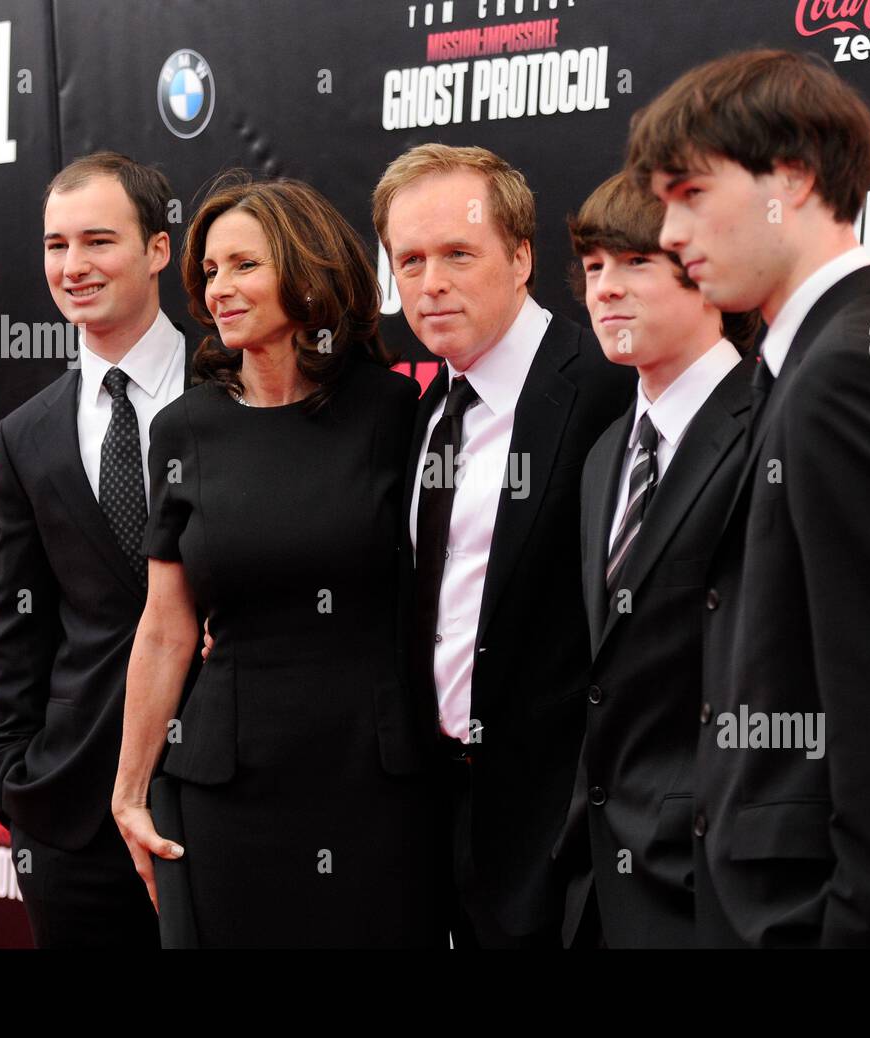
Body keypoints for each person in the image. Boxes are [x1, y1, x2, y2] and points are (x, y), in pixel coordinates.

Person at [628, 49, 870, 948]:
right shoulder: (835, 352)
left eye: (690, 193)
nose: (672, 233)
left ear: (794, 177)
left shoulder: (845, 375)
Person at [110, 174, 444, 948]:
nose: (220, 289)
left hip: (374, 785)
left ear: (307, 270)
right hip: (225, 792)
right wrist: (130, 792)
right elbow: (165, 628)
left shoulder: (393, 412)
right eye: (212, 272)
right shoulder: (186, 430)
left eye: (244, 266)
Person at [372, 143, 634, 947]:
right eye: (409, 260)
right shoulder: (419, 411)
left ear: (521, 257)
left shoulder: (608, 386)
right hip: (435, 820)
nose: (430, 282)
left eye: (458, 253)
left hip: (567, 836)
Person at [0, 151, 188, 948]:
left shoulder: (236, 391)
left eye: (98, 241)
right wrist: (17, 785)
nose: (73, 267)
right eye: (55, 245)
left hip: (222, 797)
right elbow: (18, 629)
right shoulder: (24, 435)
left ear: (158, 250)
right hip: (71, 819)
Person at [553, 172, 758, 948]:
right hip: (600, 887)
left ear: (707, 274)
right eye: (595, 267)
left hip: (718, 890)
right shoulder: (607, 453)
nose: (606, 290)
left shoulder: (772, 433)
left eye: (636, 263)